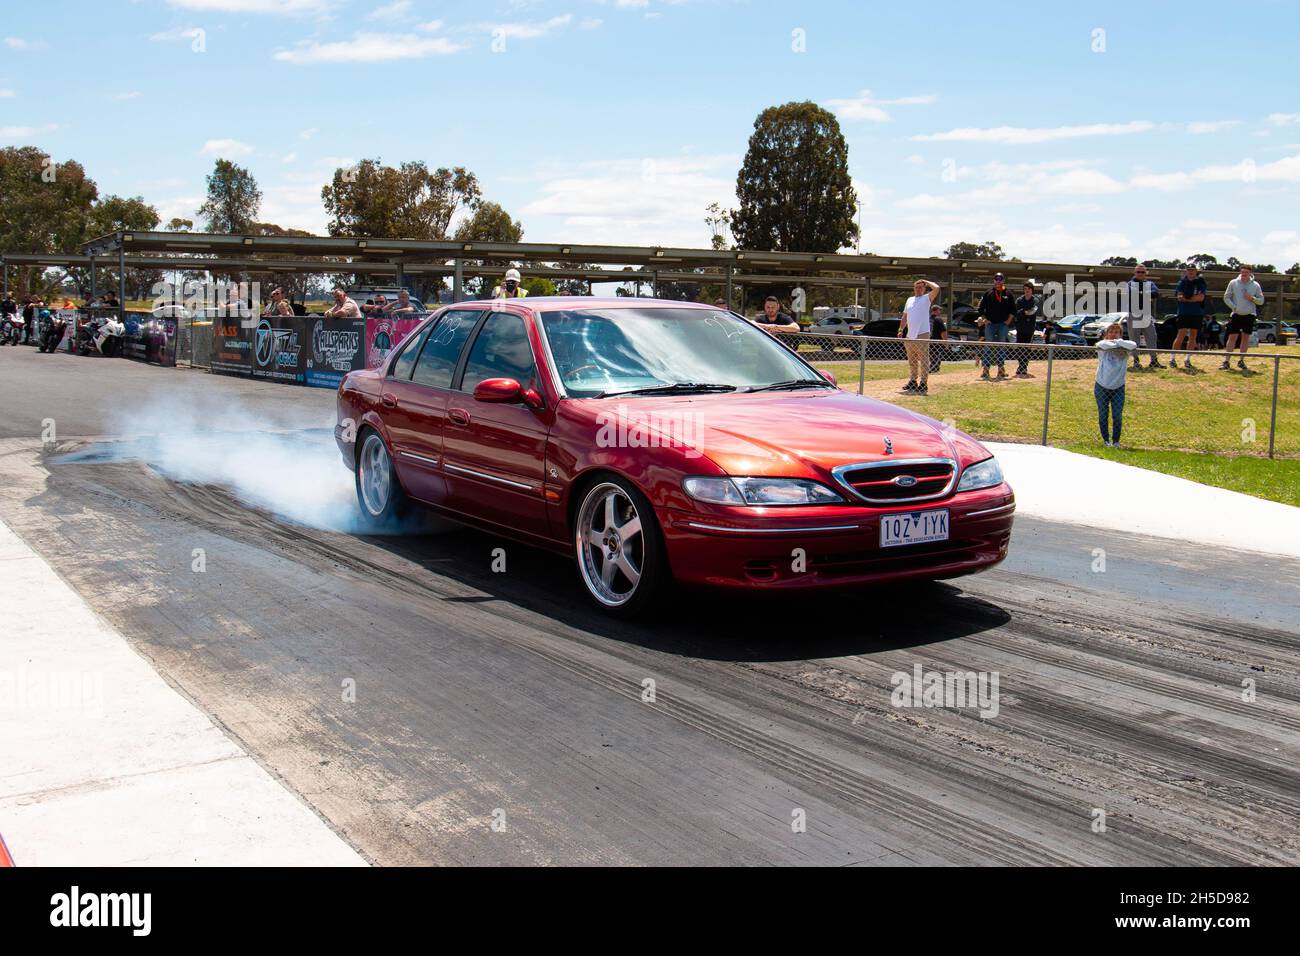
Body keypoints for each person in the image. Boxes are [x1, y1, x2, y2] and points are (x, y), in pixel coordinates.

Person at [1094, 321, 1136, 447]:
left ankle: (1116, 441)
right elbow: (1101, 344)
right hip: (1101, 385)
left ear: (1121, 334)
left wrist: (1118, 343)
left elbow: (1133, 344)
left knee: (1117, 415)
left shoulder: (1125, 348)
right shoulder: (1103, 346)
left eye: (1116, 332)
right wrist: (1116, 343)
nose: (1113, 334)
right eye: (1111, 332)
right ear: (1106, 334)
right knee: (1103, 414)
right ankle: (1106, 440)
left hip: (1118, 387)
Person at [895, 279, 941, 393]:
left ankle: (923, 383)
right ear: (913, 288)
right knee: (912, 359)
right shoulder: (909, 300)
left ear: (924, 288)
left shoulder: (927, 298)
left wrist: (926, 281)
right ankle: (913, 381)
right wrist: (901, 329)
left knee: (924, 359)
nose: (918, 289)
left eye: (921, 287)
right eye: (916, 287)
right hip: (910, 334)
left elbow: (937, 288)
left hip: (922, 333)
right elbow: (905, 316)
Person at [1222, 264, 1265, 371]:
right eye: (1242, 272)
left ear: (1250, 273)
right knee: (1232, 337)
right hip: (1236, 314)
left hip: (1250, 315)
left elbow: (1261, 301)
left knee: (1245, 338)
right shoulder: (1233, 283)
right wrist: (1234, 307)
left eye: (1246, 272)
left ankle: (1241, 360)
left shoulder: (1255, 285)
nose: (1244, 274)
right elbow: (1226, 297)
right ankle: (1226, 361)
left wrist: (1252, 298)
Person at [976, 272, 1016, 379]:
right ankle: (986, 371)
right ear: (993, 280)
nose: (998, 281)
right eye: (996, 279)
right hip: (990, 325)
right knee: (988, 347)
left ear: (1003, 280)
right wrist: (985, 319)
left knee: (1001, 347)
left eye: (1000, 279)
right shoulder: (988, 293)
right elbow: (980, 310)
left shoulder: (1008, 294)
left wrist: (1008, 321)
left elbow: (1013, 310)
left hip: (1003, 325)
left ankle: (1001, 371)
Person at [1125, 264, 1163, 369]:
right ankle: (1136, 362)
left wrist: (1141, 293)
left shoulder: (1150, 283)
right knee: (1134, 339)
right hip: (1134, 314)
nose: (1140, 274)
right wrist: (1146, 294)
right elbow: (1132, 295)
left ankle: (1154, 361)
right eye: (1138, 272)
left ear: (1146, 273)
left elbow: (1156, 293)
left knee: (1152, 336)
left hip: (1146, 314)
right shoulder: (1130, 284)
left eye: (1143, 272)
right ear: (1134, 273)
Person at [1170, 264, 1206, 370]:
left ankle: (1187, 359)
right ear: (1186, 271)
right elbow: (1180, 297)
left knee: (1193, 336)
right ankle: (1172, 359)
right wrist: (1191, 299)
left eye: (1193, 270)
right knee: (1181, 335)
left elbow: (1201, 297)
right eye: (1189, 270)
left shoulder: (1200, 283)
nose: (1190, 272)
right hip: (1183, 312)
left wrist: (1188, 299)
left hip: (1197, 312)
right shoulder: (1182, 283)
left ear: (1196, 271)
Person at [1012, 282, 1038, 377]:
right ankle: (1020, 366)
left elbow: (1033, 311)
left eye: (1029, 290)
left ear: (1032, 290)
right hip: (1020, 327)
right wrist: (1024, 311)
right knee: (1019, 347)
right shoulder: (1019, 300)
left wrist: (1023, 311)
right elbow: (1016, 312)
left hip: (1030, 328)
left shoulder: (1035, 300)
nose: (1026, 291)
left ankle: (1024, 367)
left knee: (1027, 348)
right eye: (1025, 290)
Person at [928, 303, 949, 375]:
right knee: (937, 357)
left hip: (928, 341)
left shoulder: (927, 319)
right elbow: (943, 332)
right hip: (937, 342)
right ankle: (932, 369)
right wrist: (946, 343)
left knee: (931, 356)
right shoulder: (938, 319)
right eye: (939, 310)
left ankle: (933, 369)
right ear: (935, 310)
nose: (940, 312)